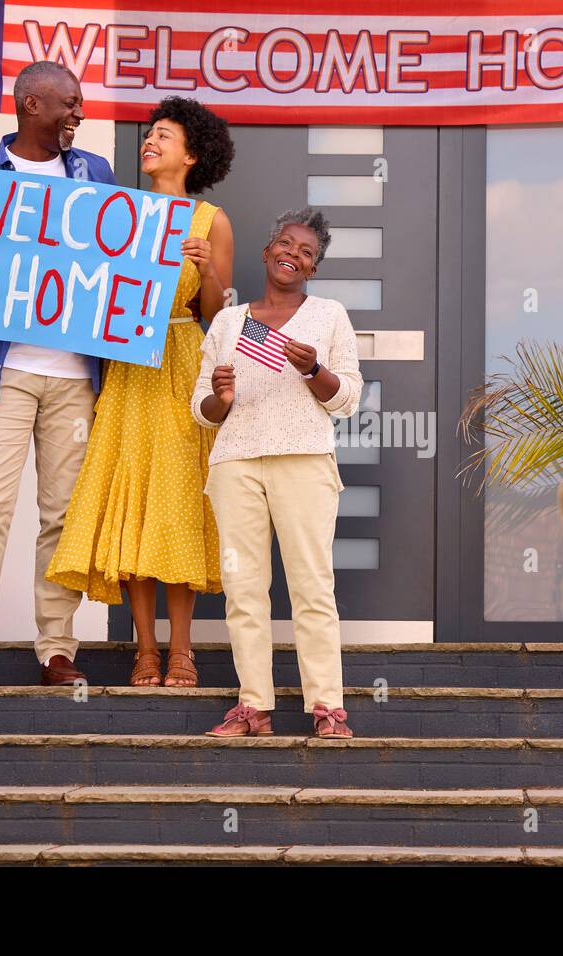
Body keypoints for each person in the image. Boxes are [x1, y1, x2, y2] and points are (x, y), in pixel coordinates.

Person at [0, 62, 114, 688]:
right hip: (2, 370)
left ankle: (56, 647)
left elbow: (117, 268)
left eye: (81, 105)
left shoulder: (96, 176)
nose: (79, 114)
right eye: (69, 104)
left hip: (73, 377)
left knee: (61, 513)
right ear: (31, 103)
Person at [46, 98, 235, 688]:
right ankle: (145, 651)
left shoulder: (210, 221)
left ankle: (183, 650)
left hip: (179, 363)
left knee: (176, 505)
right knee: (132, 505)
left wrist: (206, 270)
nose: (150, 143)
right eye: (149, 134)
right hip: (127, 372)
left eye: (163, 135)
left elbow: (214, 314)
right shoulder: (116, 213)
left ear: (191, 154)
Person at [191, 209, 362, 738]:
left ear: (313, 269)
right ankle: (253, 707)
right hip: (236, 463)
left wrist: (313, 369)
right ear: (267, 254)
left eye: (306, 252)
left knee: (312, 587)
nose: (293, 253)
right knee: (244, 590)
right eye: (285, 244)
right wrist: (220, 399)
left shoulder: (329, 316)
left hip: (304, 462)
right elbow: (201, 408)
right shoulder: (229, 321)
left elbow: (348, 400)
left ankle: (327, 708)